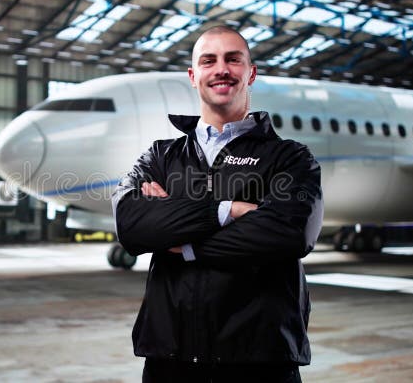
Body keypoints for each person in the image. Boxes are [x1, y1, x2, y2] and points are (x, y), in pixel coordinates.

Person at [111, 25, 323, 383]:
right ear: (193, 76)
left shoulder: (290, 158)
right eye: (208, 61)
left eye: (233, 59)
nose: (221, 69)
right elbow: (131, 225)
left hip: (261, 362)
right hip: (170, 361)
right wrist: (229, 211)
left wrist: (183, 242)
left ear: (251, 73)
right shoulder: (160, 156)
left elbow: (290, 234)